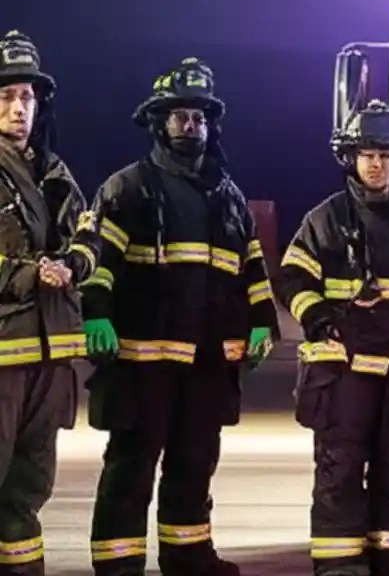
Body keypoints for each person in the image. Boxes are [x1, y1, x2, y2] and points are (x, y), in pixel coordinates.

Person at [83, 58, 277, 576]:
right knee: (131, 470)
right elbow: (99, 266)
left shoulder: (229, 197)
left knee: (194, 467)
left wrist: (262, 323)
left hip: (208, 364)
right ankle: (119, 566)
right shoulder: (128, 189)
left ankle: (189, 558)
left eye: (198, 118)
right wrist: (96, 316)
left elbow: (252, 271)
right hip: (142, 363)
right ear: (158, 123)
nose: (190, 128)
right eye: (179, 118)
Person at [278, 101, 389, 576]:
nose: (377, 163)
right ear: (350, 158)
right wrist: (320, 321)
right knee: (340, 472)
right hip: (343, 374)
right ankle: (339, 565)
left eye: (386, 155)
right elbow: (293, 278)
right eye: (368, 154)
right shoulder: (325, 220)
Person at [0, 30, 100, 575]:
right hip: (3, 358)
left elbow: (88, 233)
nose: (19, 108)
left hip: (47, 357)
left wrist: (73, 265)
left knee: (28, 490)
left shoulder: (54, 172)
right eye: (7, 96)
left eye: (27, 98)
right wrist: (25, 274)